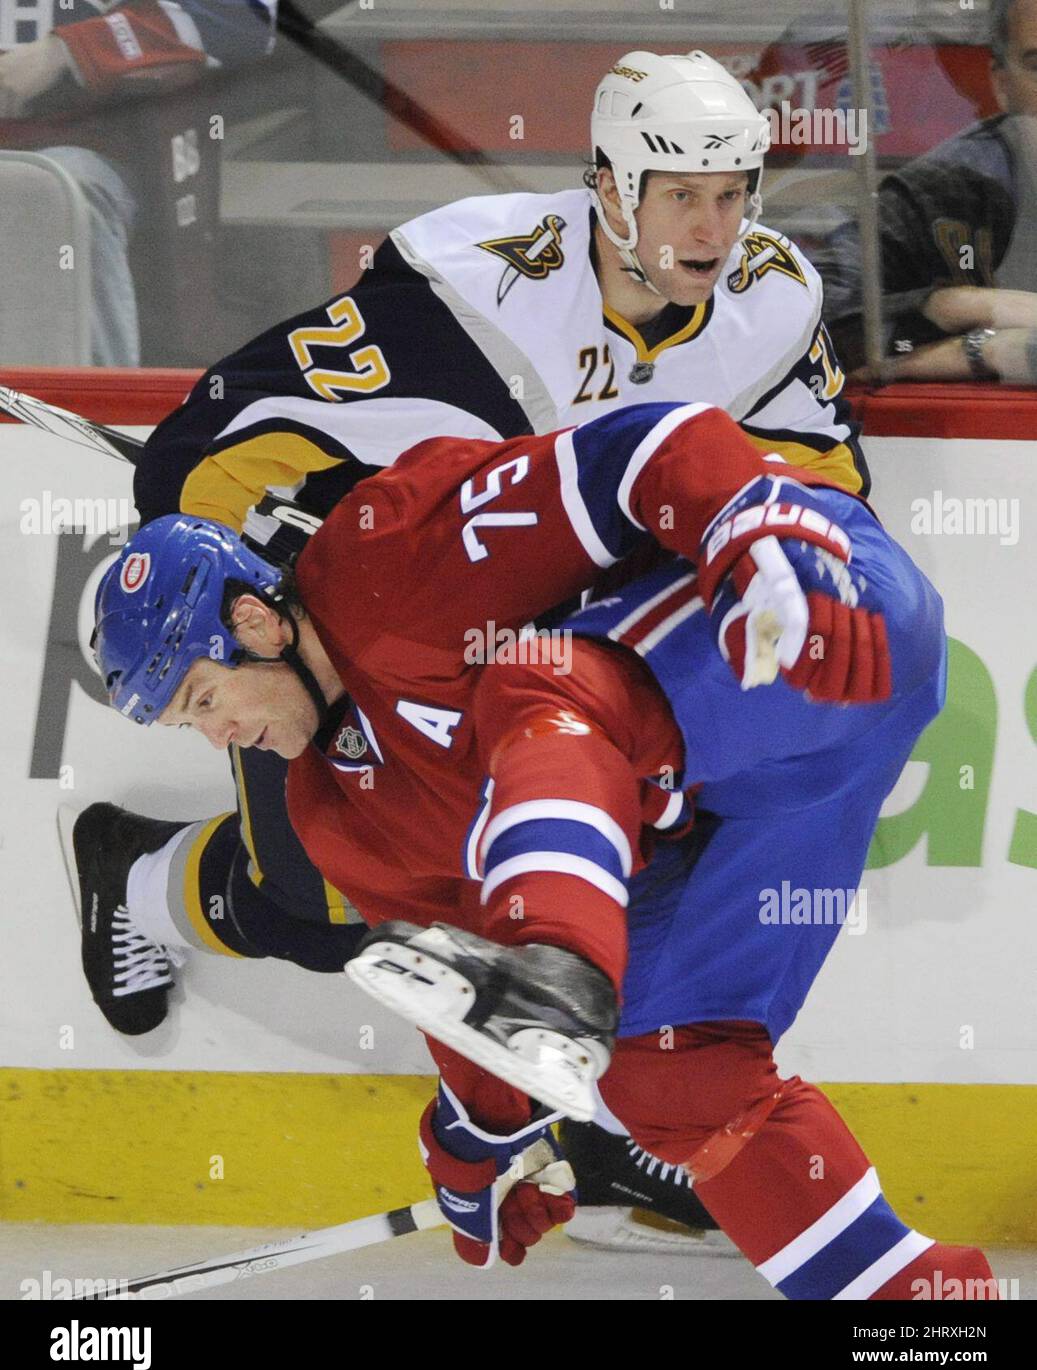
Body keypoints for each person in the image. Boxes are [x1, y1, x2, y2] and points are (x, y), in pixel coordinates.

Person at [68, 48, 862, 1248]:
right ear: (608, 187)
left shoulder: (772, 299)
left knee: (621, 871)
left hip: (572, 647)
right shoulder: (470, 298)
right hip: (393, 618)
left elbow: (828, 478)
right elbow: (199, 450)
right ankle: (135, 874)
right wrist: (289, 581)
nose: (712, 226)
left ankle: (601, 1125)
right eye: (679, 193)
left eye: (733, 189)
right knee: (335, 901)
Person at [89, 397, 997, 1297]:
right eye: (187, 724)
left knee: (538, 685)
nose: (218, 738)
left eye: (206, 699)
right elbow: (465, 983)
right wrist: (480, 1142)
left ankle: (563, 960)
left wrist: (751, 531)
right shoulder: (336, 814)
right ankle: (930, 1320)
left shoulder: (386, 552)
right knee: (674, 1077)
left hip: (803, 613)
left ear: (255, 624)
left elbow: (650, 447)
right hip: (779, 784)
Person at [0, 0, 276, 365]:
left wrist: (66, 49)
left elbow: (242, 20)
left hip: (90, 147)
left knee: (57, 193)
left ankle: (96, 407)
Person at [815, 0, 1037, 384]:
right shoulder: (947, 188)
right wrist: (961, 311)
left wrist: (994, 350)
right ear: (1002, 85)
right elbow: (812, 327)